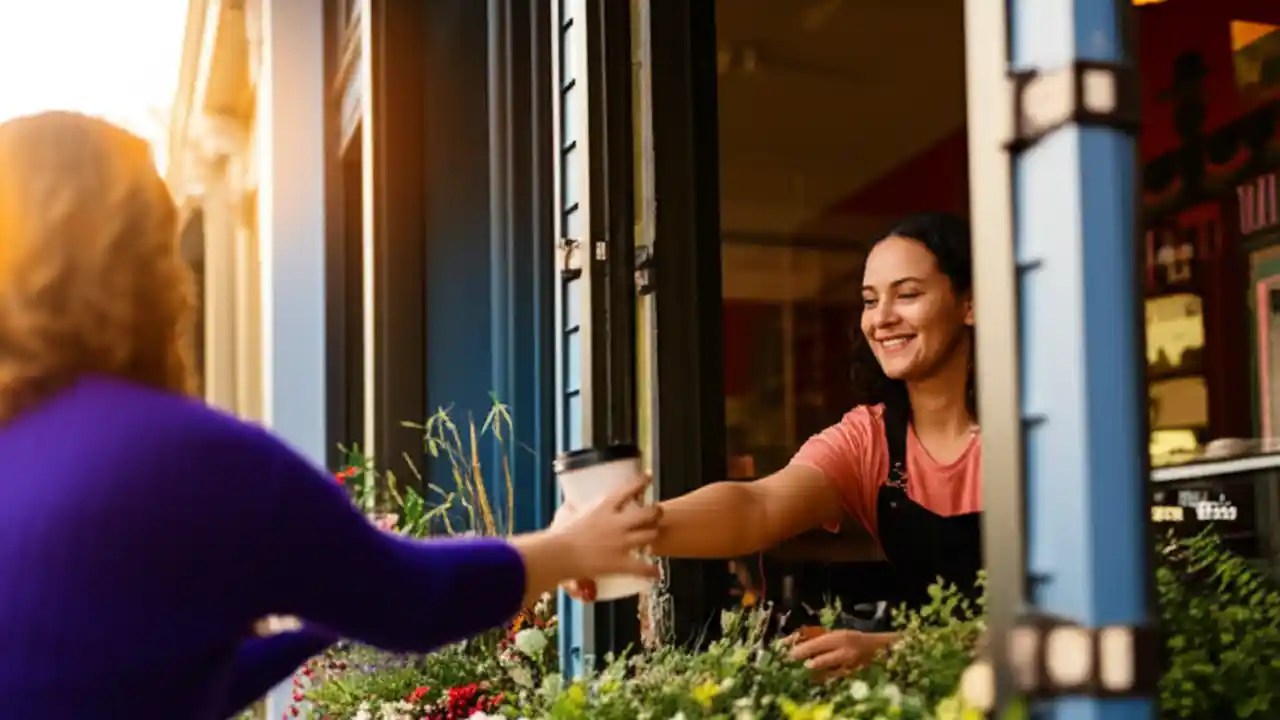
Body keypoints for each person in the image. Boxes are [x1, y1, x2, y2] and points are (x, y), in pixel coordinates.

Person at [0, 111, 661, 719]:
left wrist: (320, 619)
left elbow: (150, 681)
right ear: (145, 265)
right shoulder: (187, 456)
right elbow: (414, 600)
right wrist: (568, 547)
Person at [558, 212, 982, 676]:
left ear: (970, 303)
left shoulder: (1031, 435)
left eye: (908, 294)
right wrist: (629, 527)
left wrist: (894, 648)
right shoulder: (870, 439)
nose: (881, 318)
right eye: (869, 300)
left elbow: (1066, 612)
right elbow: (755, 506)